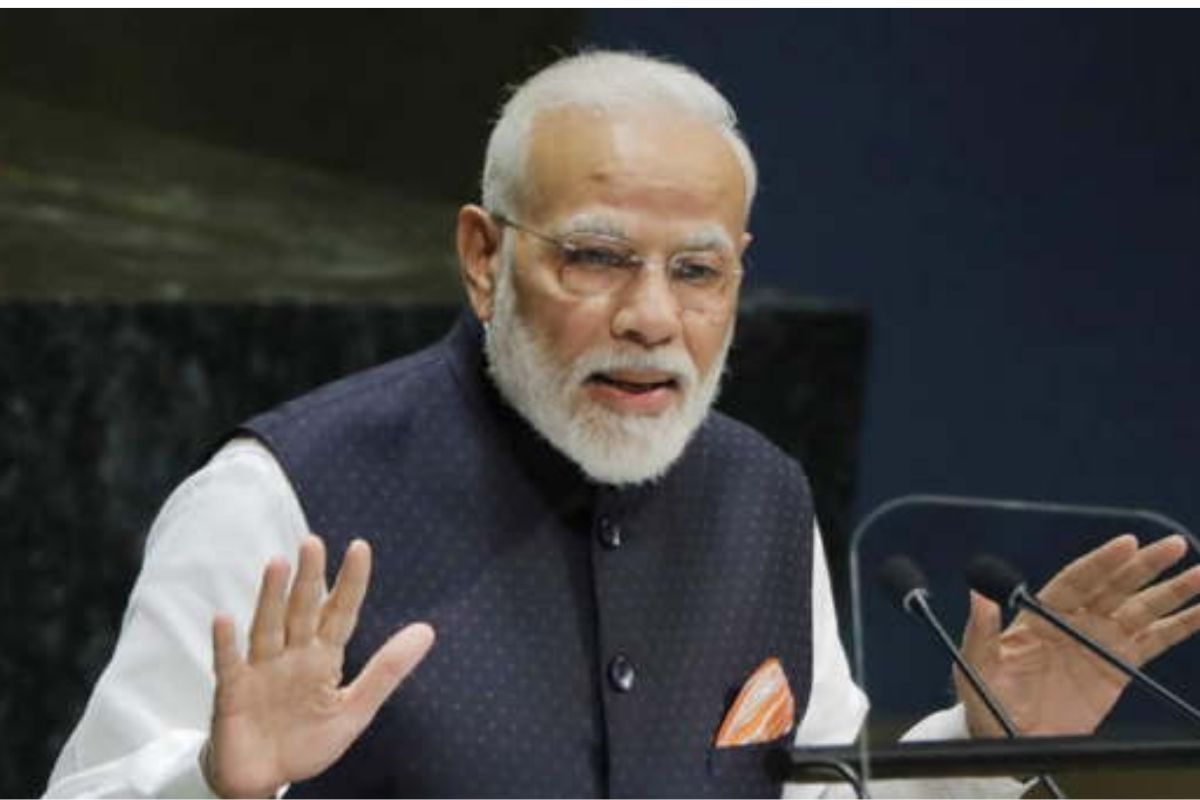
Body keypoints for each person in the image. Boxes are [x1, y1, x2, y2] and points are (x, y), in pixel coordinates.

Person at [45, 50, 1200, 799]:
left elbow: (816, 787)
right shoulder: (279, 494)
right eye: (597, 257)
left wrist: (985, 747)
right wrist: (213, 781)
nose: (652, 317)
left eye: (696, 271)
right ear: (484, 256)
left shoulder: (760, 494)